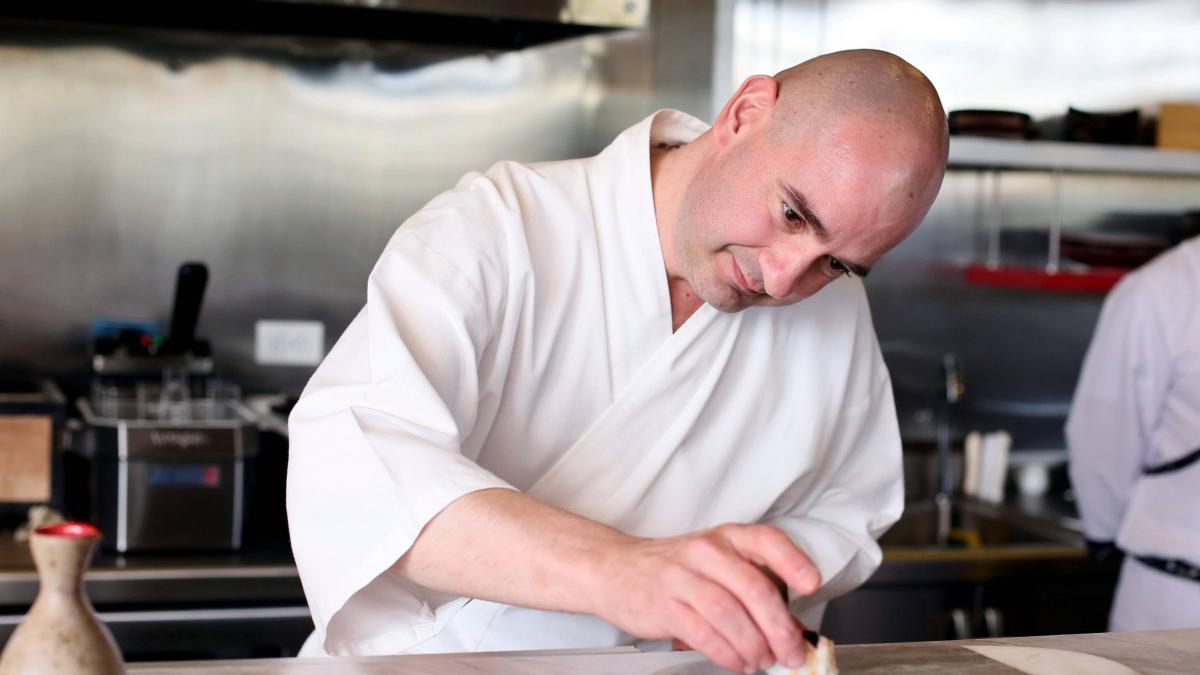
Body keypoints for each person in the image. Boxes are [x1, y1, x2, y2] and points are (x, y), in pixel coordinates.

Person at [287, 49, 948, 672]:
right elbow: (359, 462)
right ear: (743, 113)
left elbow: (846, 510)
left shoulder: (833, 307)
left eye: (835, 263)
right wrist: (622, 571)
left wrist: (730, 586)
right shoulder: (500, 229)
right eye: (791, 213)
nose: (782, 280)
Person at [1066, 235, 1200, 632]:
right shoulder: (1163, 290)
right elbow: (1102, 440)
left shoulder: (1164, 289)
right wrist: (1104, 533)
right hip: (1176, 604)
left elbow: (1103, 439)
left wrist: (1103, 534)